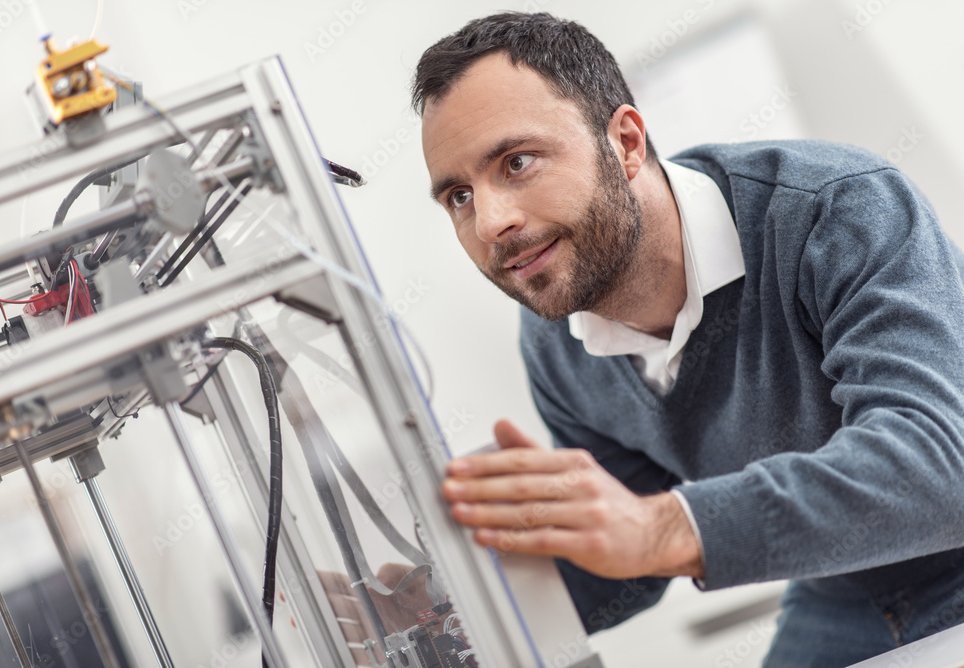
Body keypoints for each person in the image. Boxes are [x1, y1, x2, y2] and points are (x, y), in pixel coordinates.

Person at [412, 11, 964, 667]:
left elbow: (943, 466)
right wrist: (440, 609)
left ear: (625, 141)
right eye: (458, 197)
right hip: (842, 590)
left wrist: (663, 527)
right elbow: (628, 557)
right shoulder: (554, 339)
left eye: (518, 162)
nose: (493, 220)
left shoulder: (834, 208)